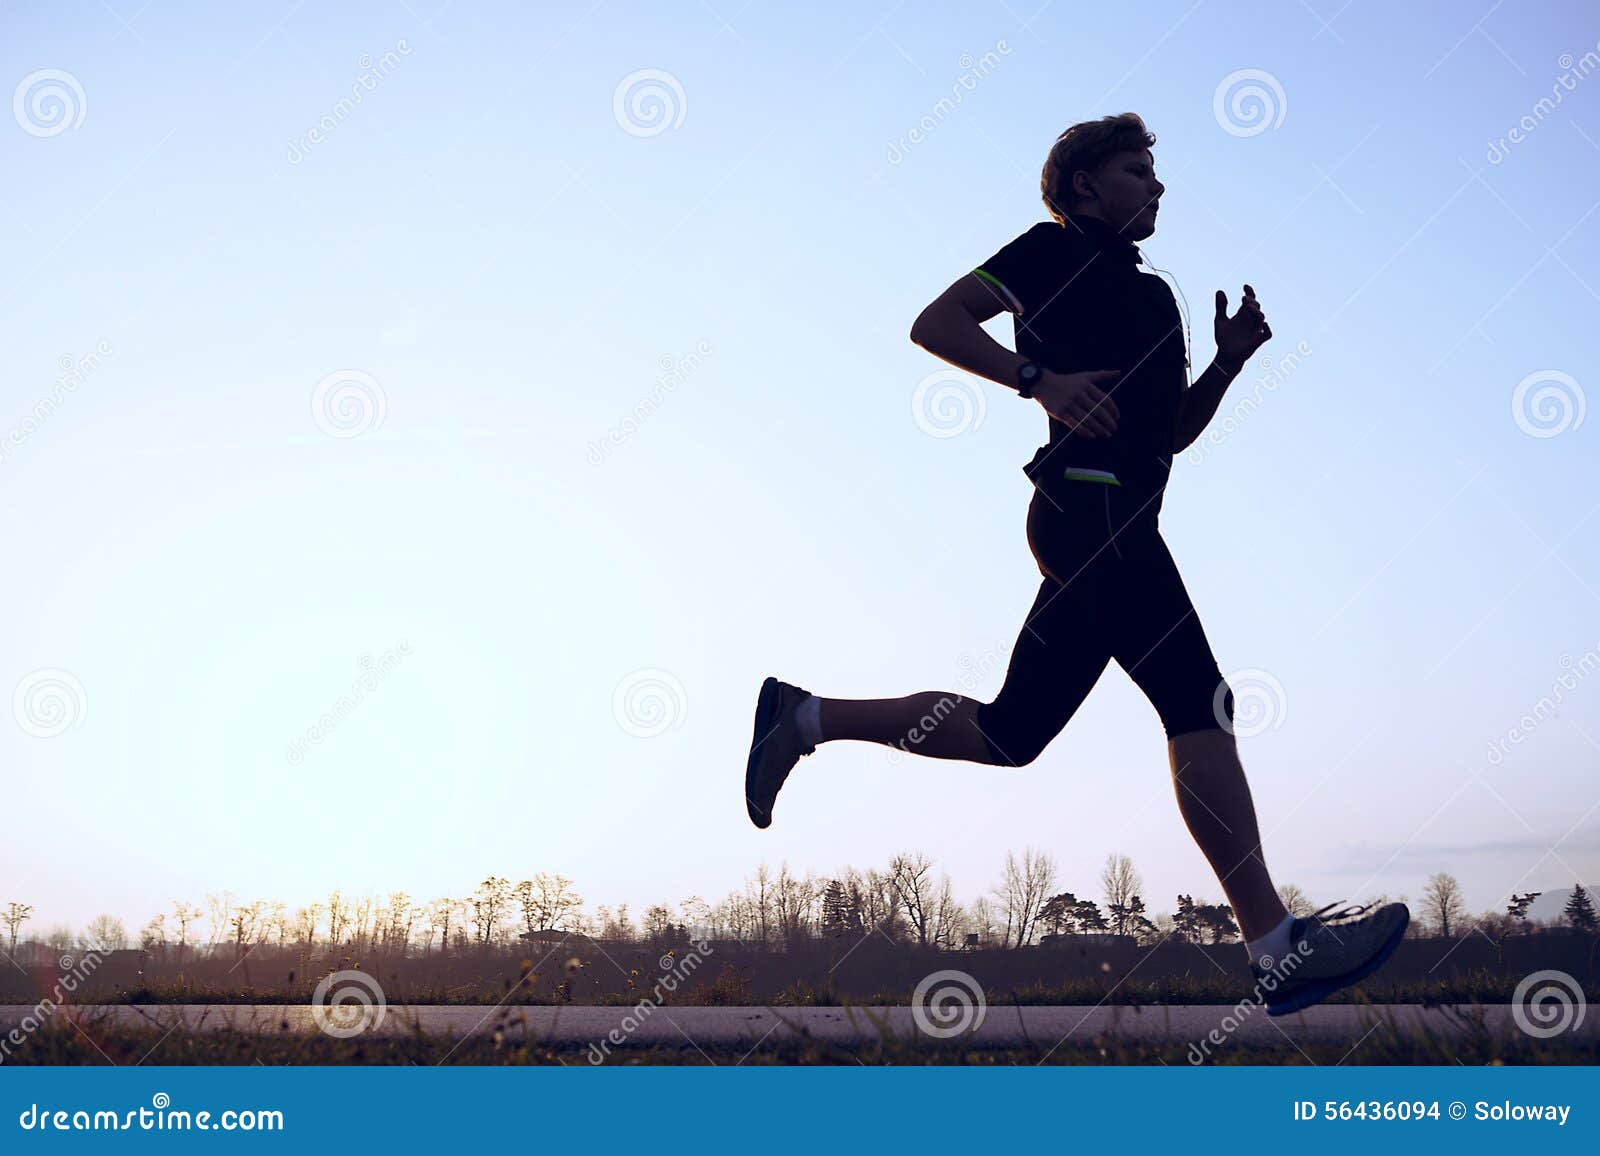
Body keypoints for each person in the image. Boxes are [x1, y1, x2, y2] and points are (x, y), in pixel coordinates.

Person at [743, 113, 1408, 1015]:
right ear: (1085, 184)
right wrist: (1036, 383)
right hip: (1086, 506)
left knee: (1011, 734)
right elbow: (935, 322)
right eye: (1139, 171)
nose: (1158, 187)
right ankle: (1275, 949)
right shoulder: (1050, 251)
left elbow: (1170, 434)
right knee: (1198, 698)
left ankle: (804, 716)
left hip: (1117, 517)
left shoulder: (1154, 296)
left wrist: (1227, 366)